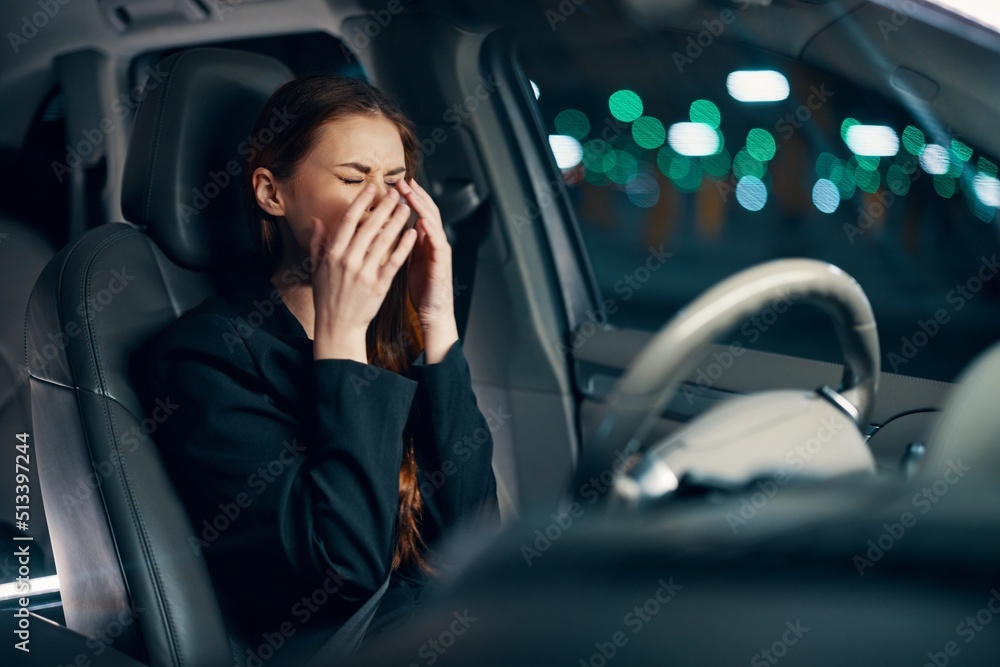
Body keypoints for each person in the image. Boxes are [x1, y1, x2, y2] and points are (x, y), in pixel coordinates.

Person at [146, 75, 500, 660]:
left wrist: (438, 320)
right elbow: (344, 574)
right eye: (355, 180)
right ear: (271, 193)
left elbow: (470, 532)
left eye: (395, 182)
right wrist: (338, 338)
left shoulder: (394, 329)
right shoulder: (205, 358)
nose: (385, 204)